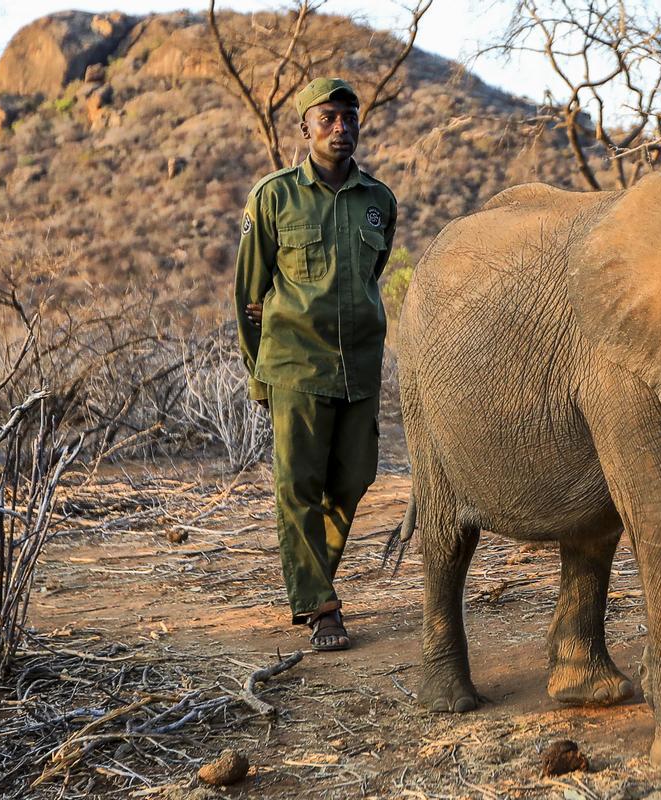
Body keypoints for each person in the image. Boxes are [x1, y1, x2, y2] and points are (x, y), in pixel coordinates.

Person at [233, 77, 397, 651]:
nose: (340, 127)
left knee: (354, 477)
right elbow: (248, 292)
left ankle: (313, 576)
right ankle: (320, 605)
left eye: (349, 117)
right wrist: (260, 373)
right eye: (327, 118)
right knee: (297, 484)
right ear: (305, 128)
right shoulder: (273, 196)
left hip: (359, 364)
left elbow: (370, 280)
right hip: (295, 364)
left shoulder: (379, 201)